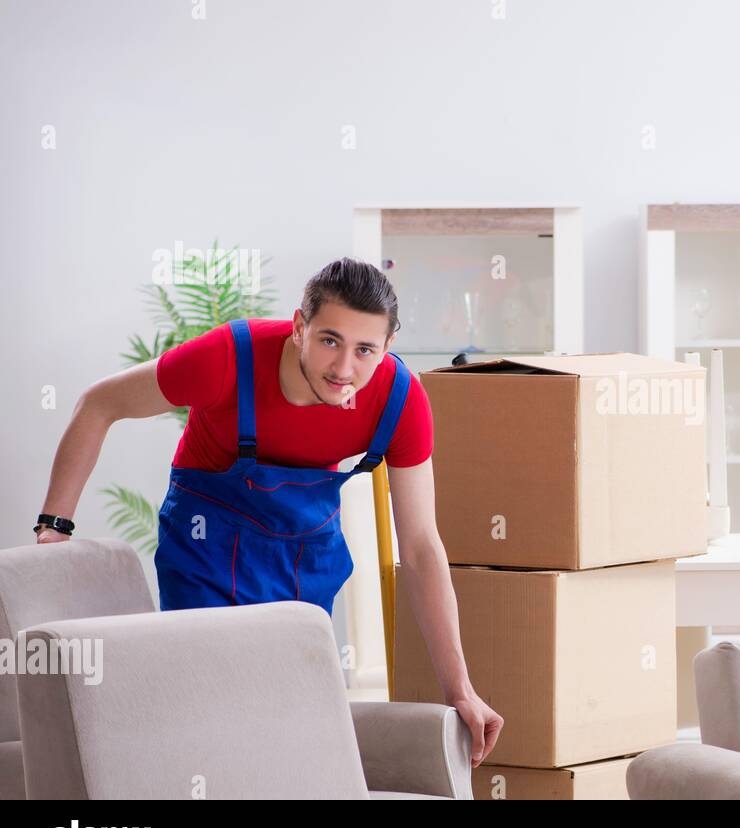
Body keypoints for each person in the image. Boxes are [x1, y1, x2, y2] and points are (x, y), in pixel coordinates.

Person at [34, 257, 503, 766]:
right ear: (299, 327)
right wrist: (53, 530)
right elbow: (98, 404)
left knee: (291, 721)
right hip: (205, 545)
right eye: (329, 340)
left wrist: (460, 689)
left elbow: (419, 547)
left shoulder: (400, 399)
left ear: (387, 349)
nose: (344, 369)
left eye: (364, 350)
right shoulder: (226, 359)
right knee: (210, 714)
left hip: (304, 552)